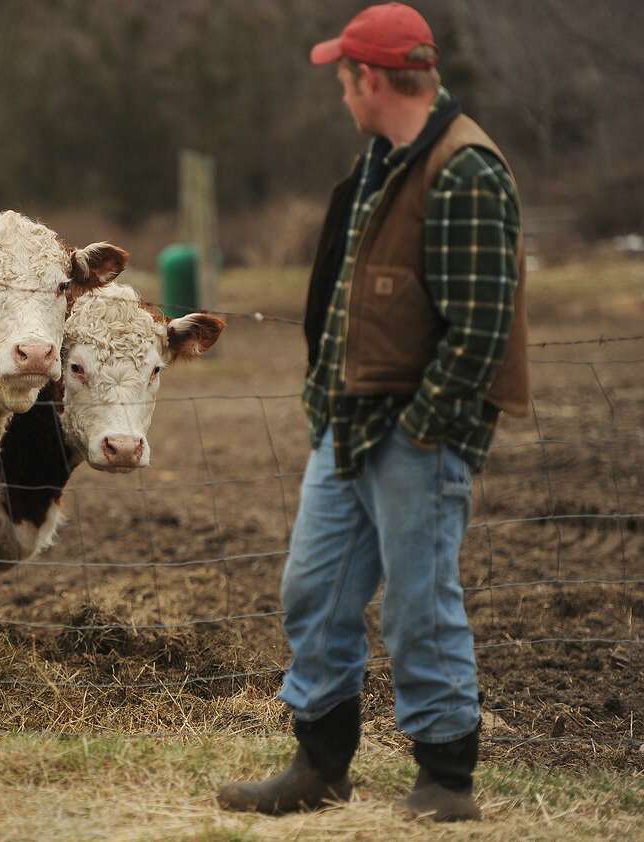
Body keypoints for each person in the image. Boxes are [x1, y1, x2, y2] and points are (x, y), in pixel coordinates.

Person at [217, 2, 528, 823]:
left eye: (345, 77)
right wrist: (324, 406)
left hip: (415, 434)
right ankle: (318, 766)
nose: (341, 93)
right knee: (312, 591)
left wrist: (422, 427)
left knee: (419, 605)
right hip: (346, 426)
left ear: (374, 78)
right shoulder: (378, 162)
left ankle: (445, 779)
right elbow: (350, 302)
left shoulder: (466, 171)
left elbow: (481, 328)